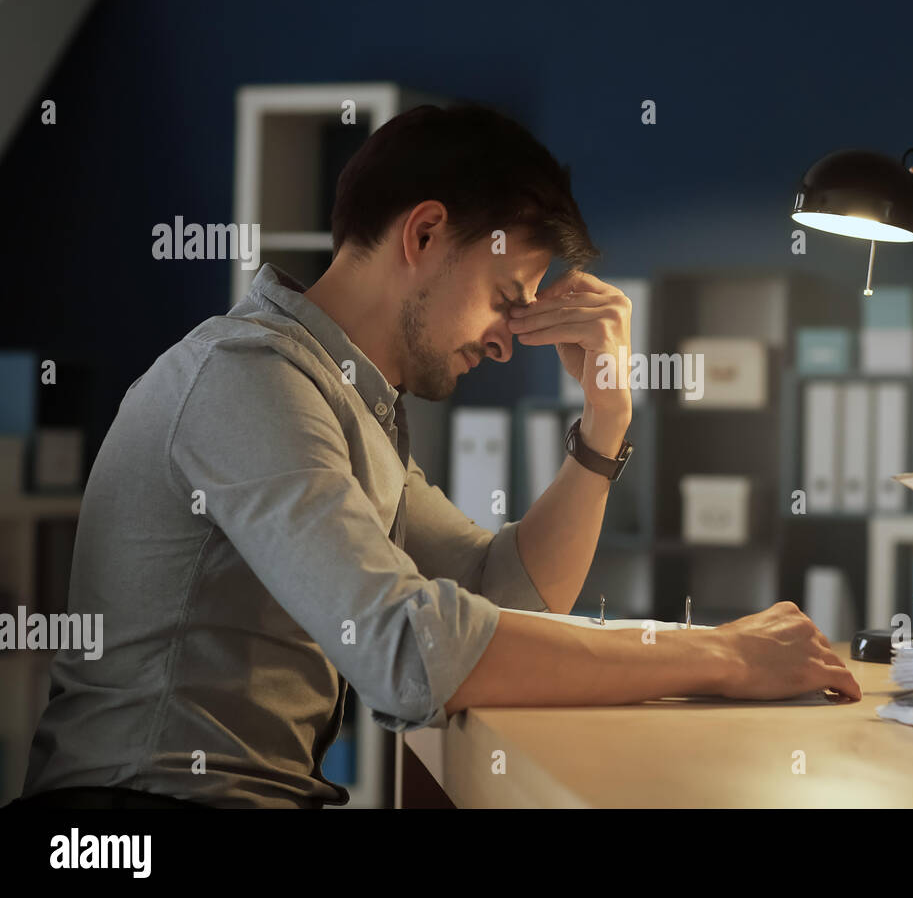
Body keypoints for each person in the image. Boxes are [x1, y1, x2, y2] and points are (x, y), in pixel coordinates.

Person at [17, 104, 860, 809]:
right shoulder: (249, 381)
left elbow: (508, 591)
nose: (506, 342)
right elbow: (408, 652)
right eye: (504, 299)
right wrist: (722, 656)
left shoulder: (348, 401)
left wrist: (606, 421)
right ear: (424, 233)